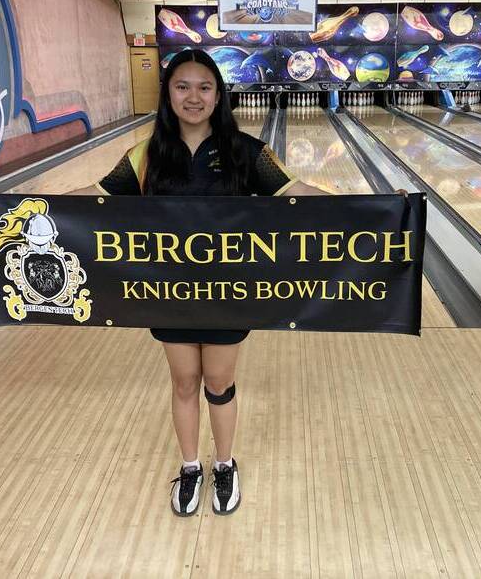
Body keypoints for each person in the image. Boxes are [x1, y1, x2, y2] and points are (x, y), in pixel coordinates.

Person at [65, 49, 328, 517]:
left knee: (219, 382)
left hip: (228, 294)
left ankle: (224, 464)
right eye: (182, 86)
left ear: (218, 95)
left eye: (204, 87)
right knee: (184, 381)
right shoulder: (147, 155)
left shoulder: (244, 152)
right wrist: (17, 204)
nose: (194, 96)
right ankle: (190, 467)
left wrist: (377, 207)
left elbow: (296, 194)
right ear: (167, 93)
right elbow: (96, 198)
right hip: (169, 294)